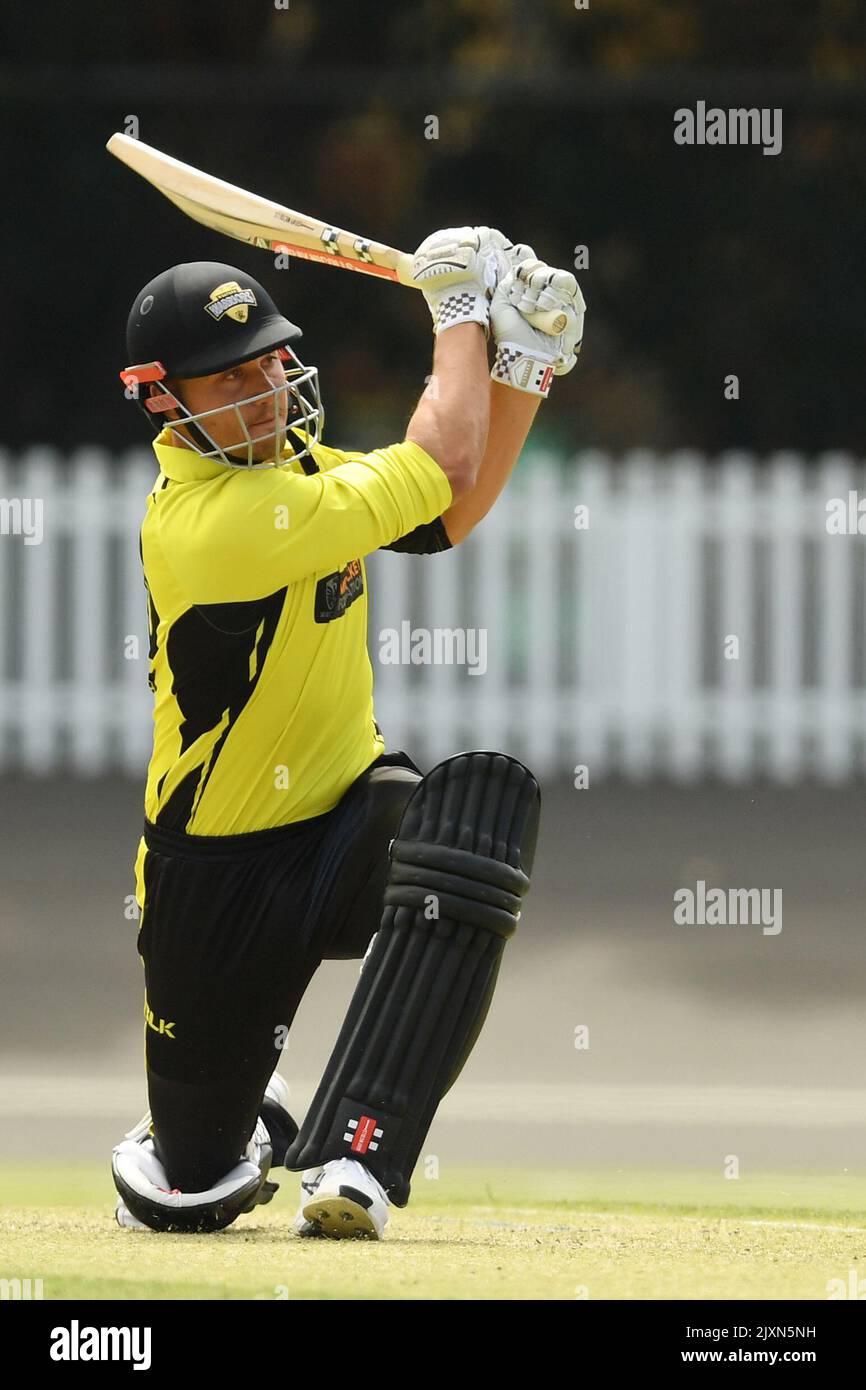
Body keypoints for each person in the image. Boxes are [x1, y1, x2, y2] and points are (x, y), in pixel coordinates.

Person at [110, 229, 584, 1238]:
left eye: (269, 361)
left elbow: (441, 505)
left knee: (468, 830)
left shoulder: (300, 477)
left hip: (341, 820)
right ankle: (225, 1113)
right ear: (164, 399)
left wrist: (522, 364)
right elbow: (441, 457)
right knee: (193, 1193)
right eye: (225, 377)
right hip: (213, 878)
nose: (264, 390)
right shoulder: (215, 522)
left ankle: (356, 1154)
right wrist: (457, 315)